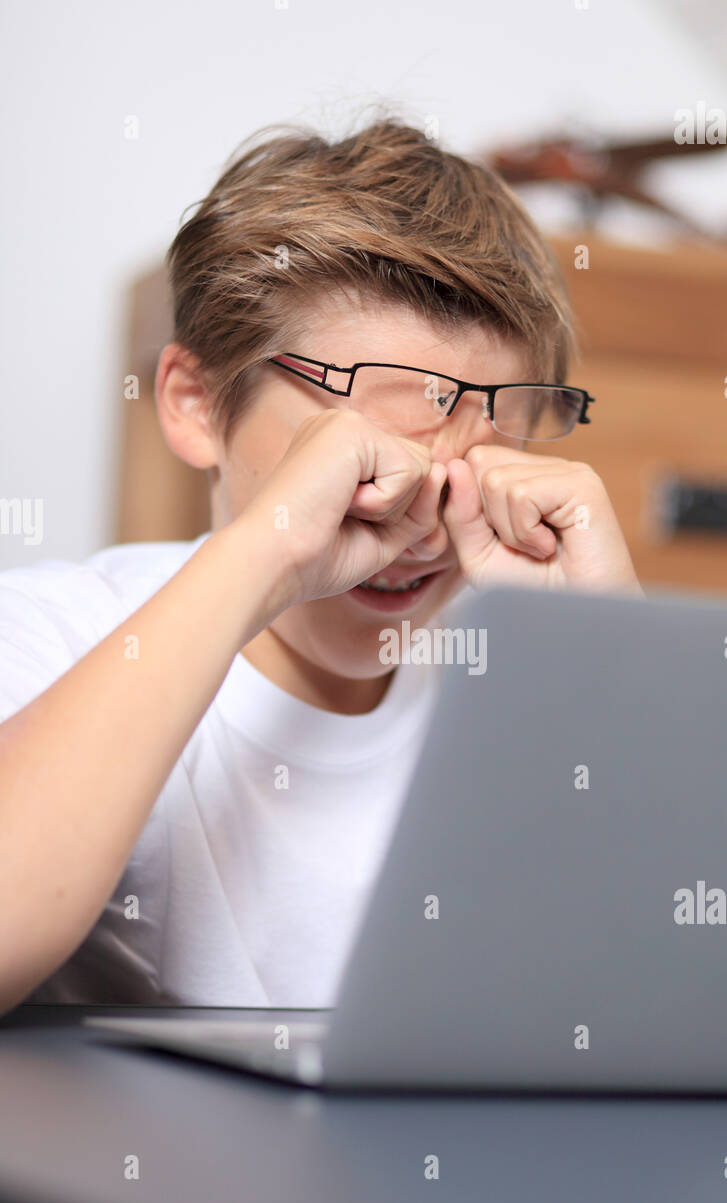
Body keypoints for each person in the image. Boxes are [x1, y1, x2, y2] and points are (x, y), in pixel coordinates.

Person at [0, 118, 640, 1012]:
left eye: (472, 474)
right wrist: (268, 554)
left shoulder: (525, 697)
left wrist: (613, 661)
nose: (420, 531)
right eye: (367, 464)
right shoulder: (46, 639)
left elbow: (706, 1003)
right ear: (195, 404)